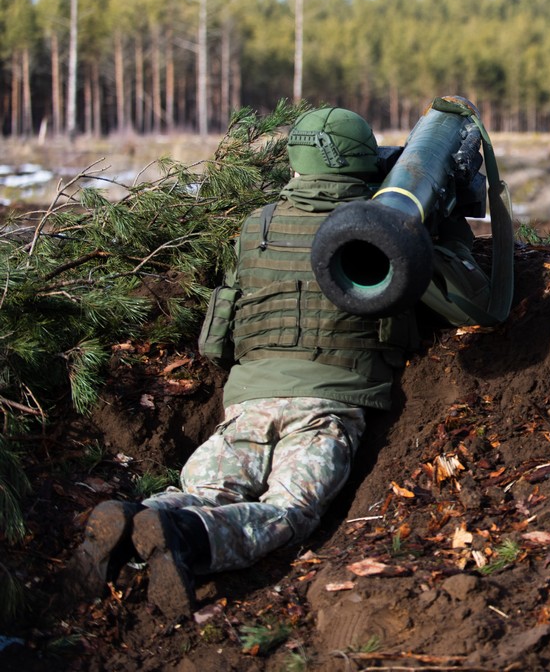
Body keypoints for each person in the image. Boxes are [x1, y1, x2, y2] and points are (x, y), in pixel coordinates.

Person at [68, 106, 494, 620]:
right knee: (287, 512)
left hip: (249, 400)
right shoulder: (385, 230)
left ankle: (142, 516)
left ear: (296, 162)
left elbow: (218, 338)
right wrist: (436, 233)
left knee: (204, 488)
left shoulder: (257, 224)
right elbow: (474, 308)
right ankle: (187, 539)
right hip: (328, 407)